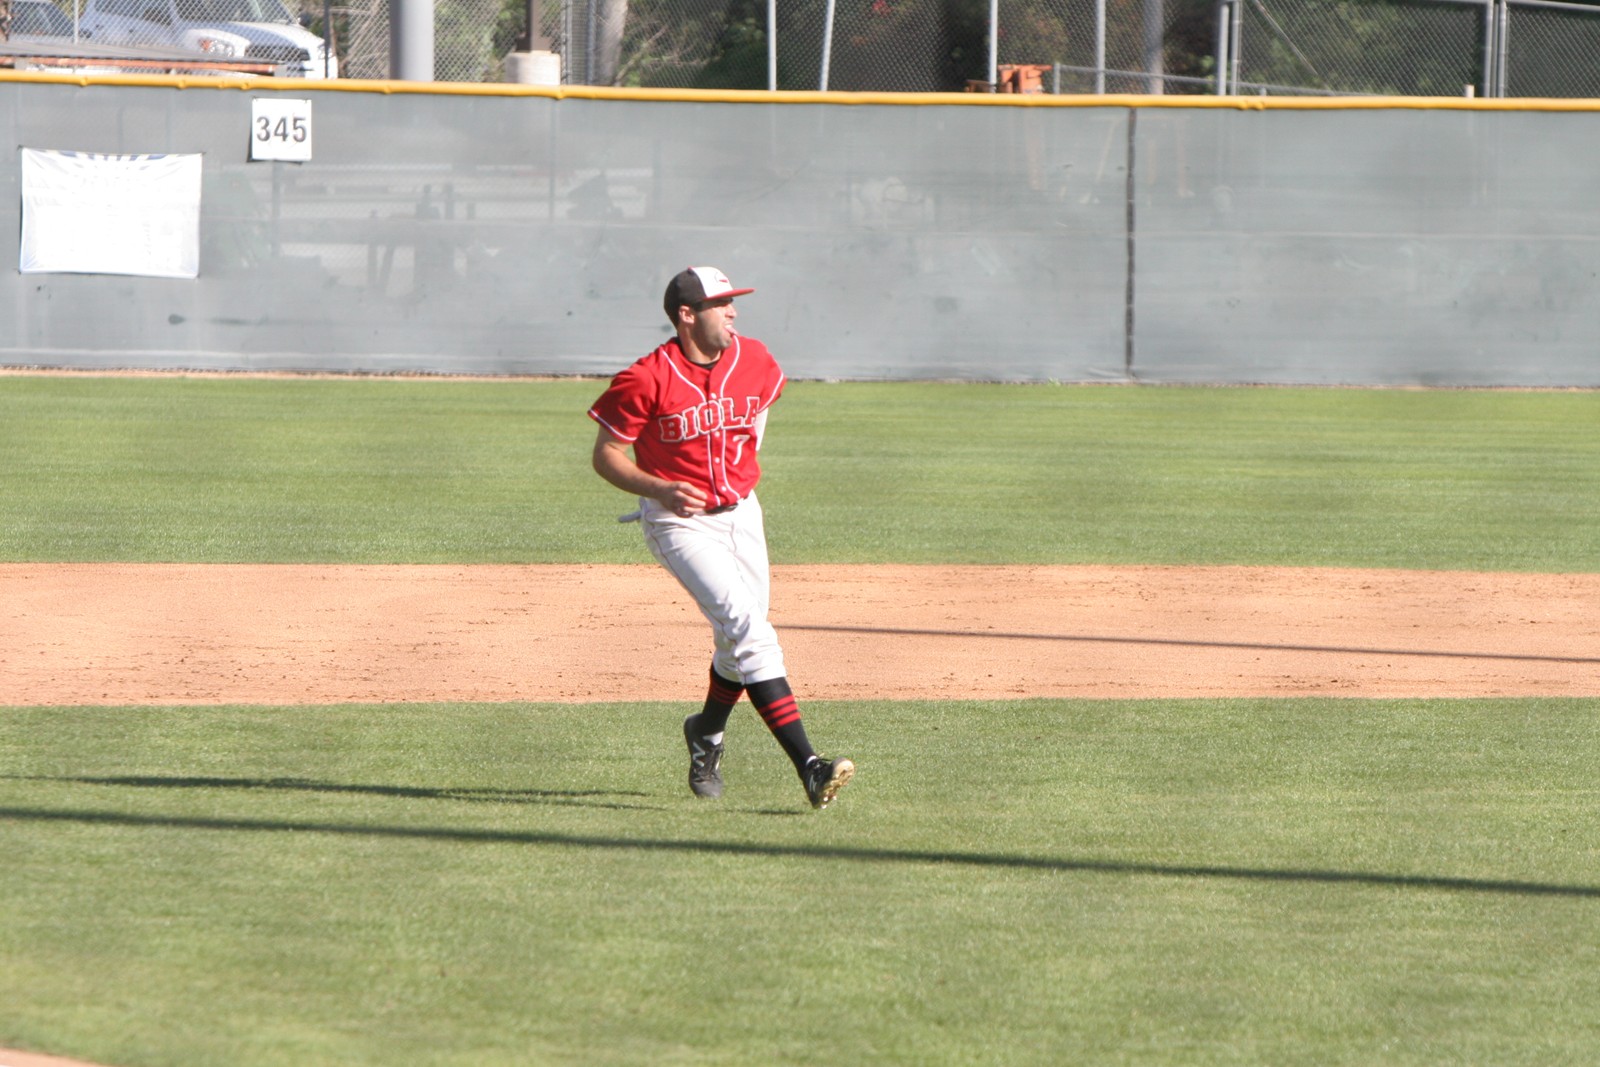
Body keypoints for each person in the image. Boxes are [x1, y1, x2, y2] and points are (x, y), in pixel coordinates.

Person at [587, 266, 854, 810]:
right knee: (749, 631)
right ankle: (809, 765)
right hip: (678, 522)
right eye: (721, 304)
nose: (732, 312)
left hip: (743, 515)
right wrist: (658, 487)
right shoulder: (645, 378)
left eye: (733, 302)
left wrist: (736, 476)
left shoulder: (754, 358)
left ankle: (706, 731)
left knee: (740, 641)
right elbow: (605, 455)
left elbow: (756, 418)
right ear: (687, 315)